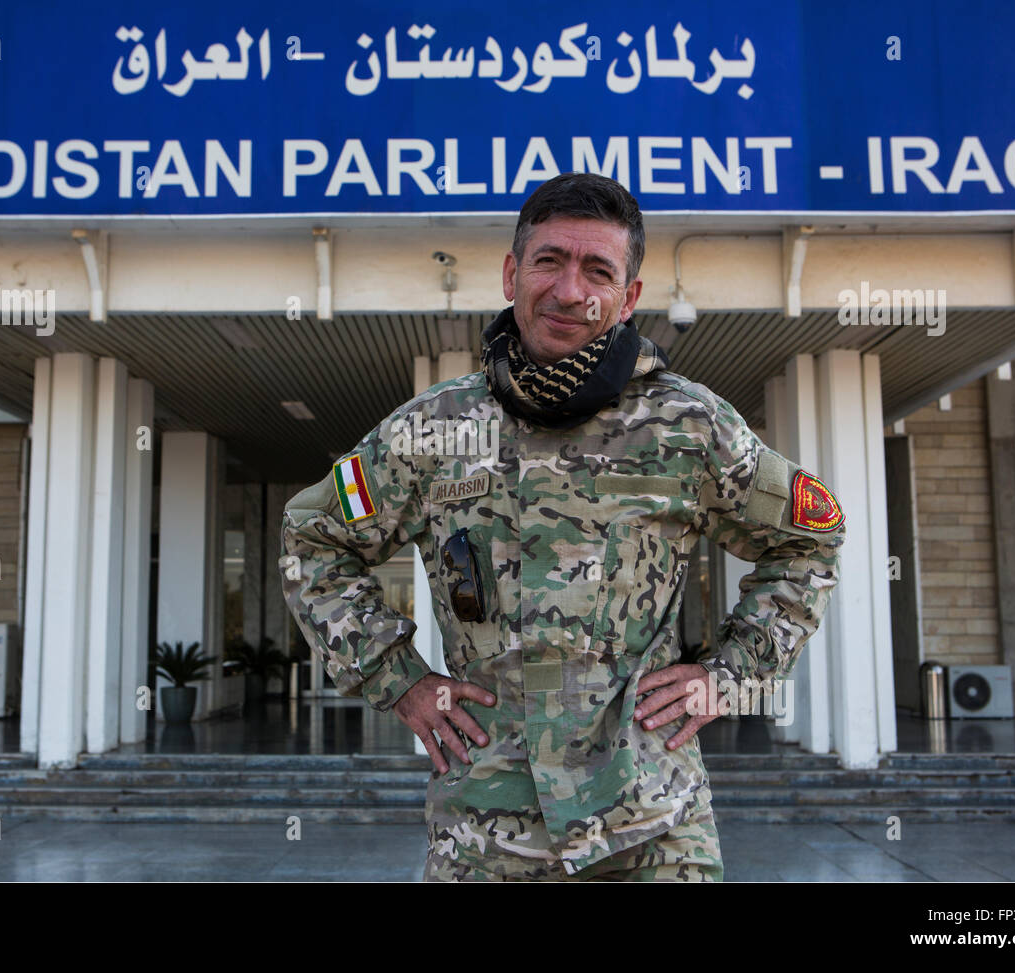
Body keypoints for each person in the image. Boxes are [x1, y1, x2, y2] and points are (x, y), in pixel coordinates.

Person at [279, 172, 846, 882]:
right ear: (513, 272)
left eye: (598, 269)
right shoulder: (431, 430)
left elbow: (809, 539)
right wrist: (400, 677)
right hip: (487, 830)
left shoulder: (689, 426)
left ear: (629, 296)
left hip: (653, 825)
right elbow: (312, 536)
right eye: (549, 260)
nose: (570, 289)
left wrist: (729, 675)